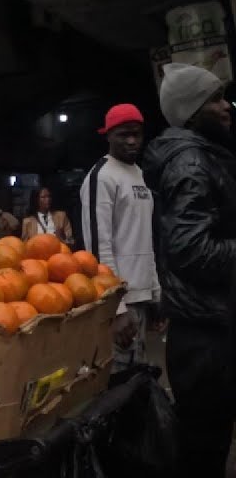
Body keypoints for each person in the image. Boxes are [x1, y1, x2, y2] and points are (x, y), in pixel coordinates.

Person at [143, 64, 236, 476]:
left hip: (211, 329)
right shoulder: (192, 163)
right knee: (203, 451)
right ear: (192, 109)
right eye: (215, 98)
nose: (225, 105)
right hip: (206, 340)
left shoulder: (201, 155)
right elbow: (192, 250)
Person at [80, 103, 158, 374]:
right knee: (116, 385)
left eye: (137, 134)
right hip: (119, 303)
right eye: (124, 134)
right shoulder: (101, 176)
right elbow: (97, 248)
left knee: (137, 383)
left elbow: (144, 237)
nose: (132, 141)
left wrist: (154, 292)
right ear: (108, 135)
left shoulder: (139, 174)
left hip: (141, 298)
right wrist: (116, 307)